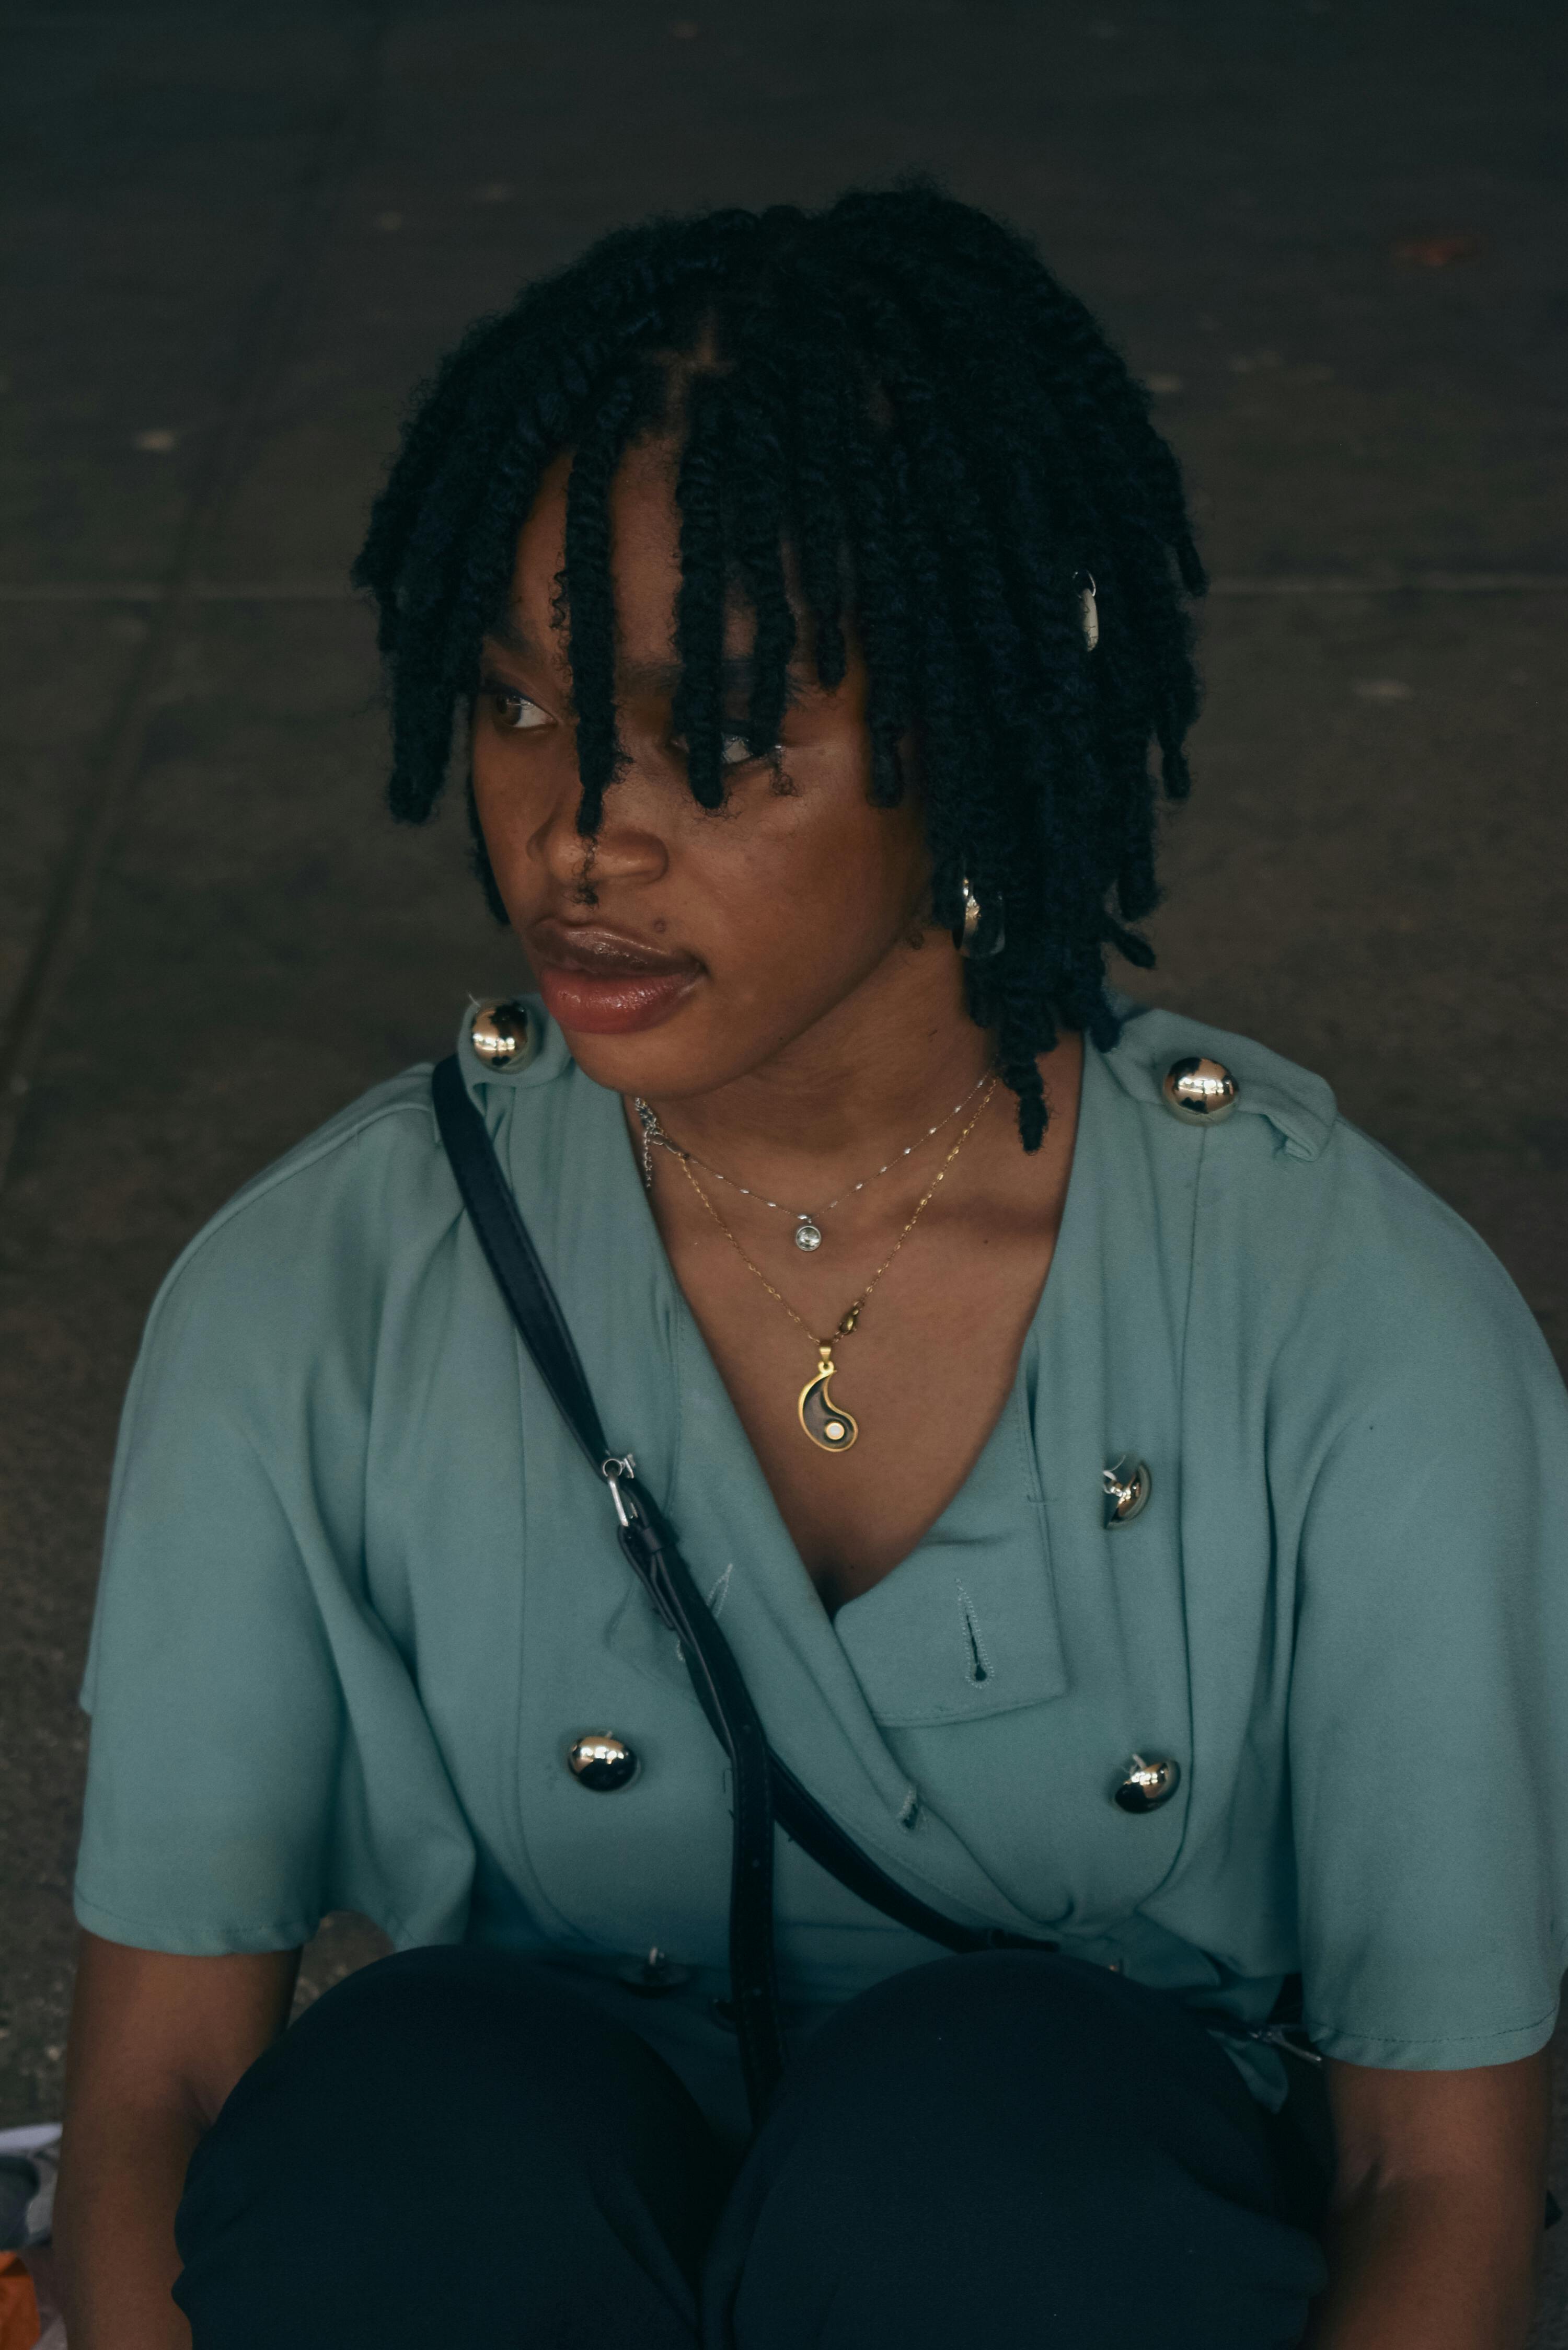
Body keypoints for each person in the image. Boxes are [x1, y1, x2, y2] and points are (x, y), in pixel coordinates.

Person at [53, 183, 1567, 2350]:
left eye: (719, 739)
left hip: (1063, 2256)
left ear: (973, 723)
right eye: (511, 703)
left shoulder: (1352, 1322)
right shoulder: (314, 1291)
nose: (580, 835)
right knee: (414, 2120)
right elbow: (160, 2092)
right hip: (519, 2251)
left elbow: (1439, 2173)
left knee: (994, 2145)